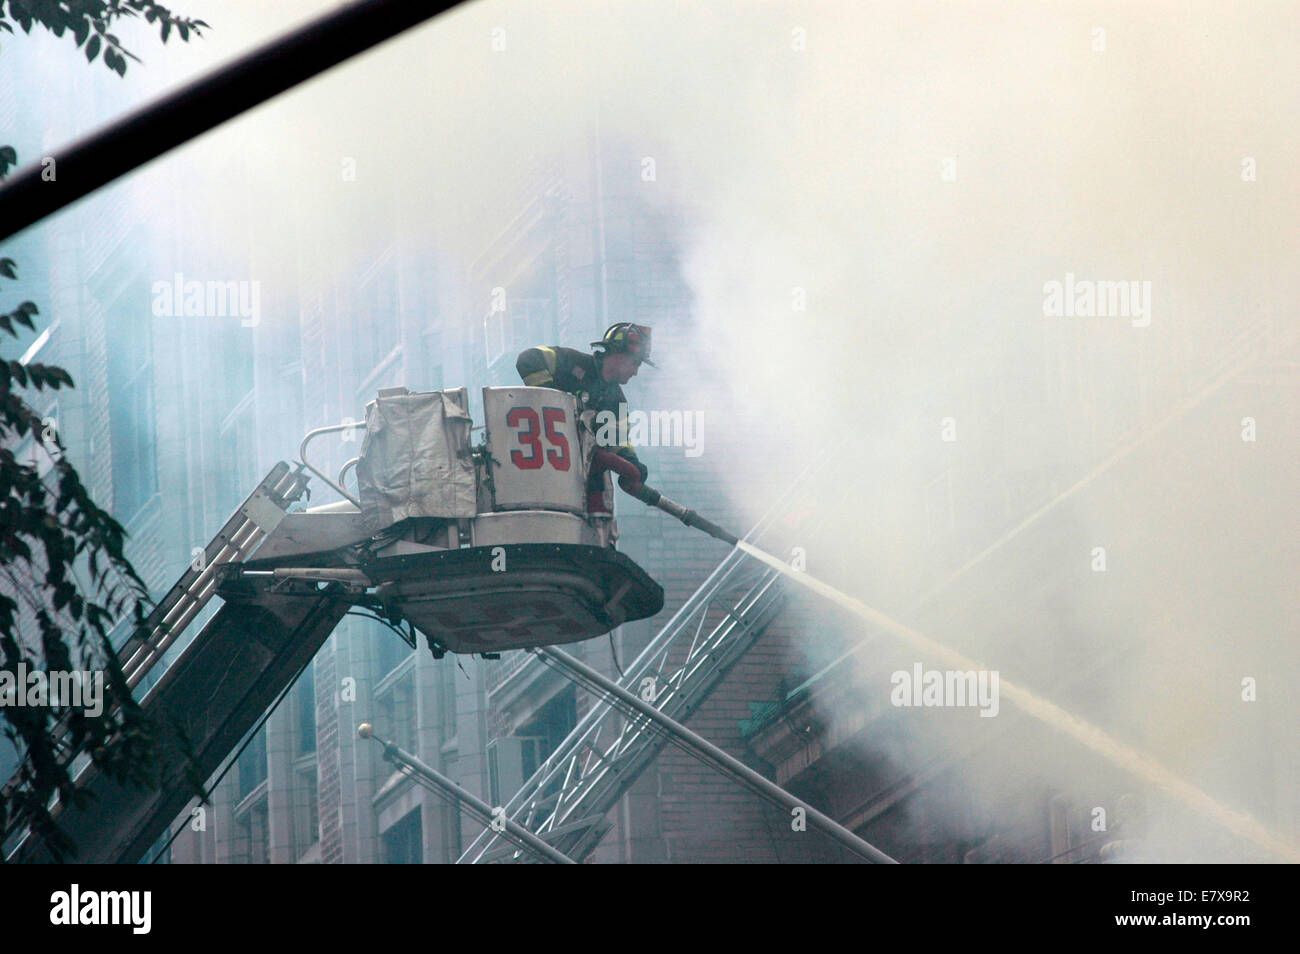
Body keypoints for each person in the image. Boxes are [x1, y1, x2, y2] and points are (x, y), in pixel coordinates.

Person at [515, 322, 655, 510]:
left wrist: (632, 463)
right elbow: (528, 359)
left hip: (577, 484)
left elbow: (618, 441)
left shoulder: (616, 401)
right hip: (537, 466)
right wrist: (551, 401)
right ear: (619, 356)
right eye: (635, 363)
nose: (635, 372)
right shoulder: (572, 362)